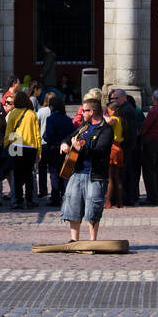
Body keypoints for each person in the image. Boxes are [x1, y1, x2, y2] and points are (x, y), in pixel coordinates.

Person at [58, 90, 114, 242]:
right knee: (72, 206)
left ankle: (92, 241)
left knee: (92, 208)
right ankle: (74, 240)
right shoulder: (84, 127)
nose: (82, 113)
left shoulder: (106, 130)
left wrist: (80, 148)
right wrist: (64, 144)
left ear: (93, 111)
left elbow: (100, 151)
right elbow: (69, 138)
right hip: (76, 172)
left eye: (84, 111)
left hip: (95, 174)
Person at [5, 90, 41, 209]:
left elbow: (9, 131)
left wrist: (6, 145)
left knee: (17, 174)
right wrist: (39, 150)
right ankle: (29, 200)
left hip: (16, 142)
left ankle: (18, 200)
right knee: (29, 174)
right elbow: (37, 134)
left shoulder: (13, 113)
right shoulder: (32, 114)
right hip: (30, 146)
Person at [42, 94, 74, 207]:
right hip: (66, 149)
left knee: (54, 173)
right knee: (65, 173)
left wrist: (49, 141)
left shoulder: (51, 119)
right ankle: (66, 196)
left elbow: (48, 135)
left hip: (54, 149)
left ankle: (55, 197)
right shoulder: (68, 120)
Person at [139, 88, 158, 205]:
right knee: (156, 170)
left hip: (151, 142)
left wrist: (140, 133)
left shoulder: (154, 111)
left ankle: (152, 197)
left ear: (154, 98)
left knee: (148, 171)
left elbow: (146, 126)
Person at [104, 98, 125, 209]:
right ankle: (119, 202)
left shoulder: (115, 118)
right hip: (118, 147)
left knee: (110, 177)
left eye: (108, 111)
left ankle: (108, 202)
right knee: (116, 177)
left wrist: (99, 114)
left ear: (113, 110)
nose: (107, 113)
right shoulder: (120, 118)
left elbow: (108, 121)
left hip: (113, 148)